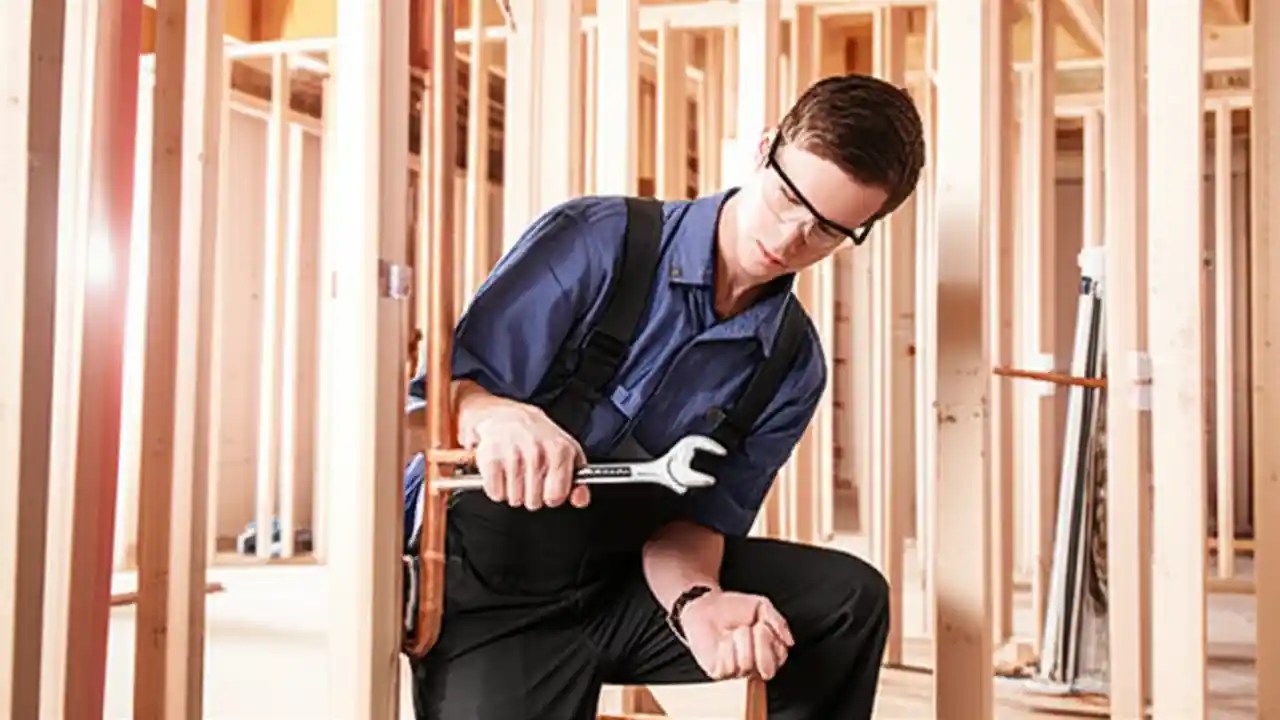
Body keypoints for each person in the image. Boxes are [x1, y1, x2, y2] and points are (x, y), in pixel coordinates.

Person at [403, 73, 926, 720]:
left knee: (849, 601)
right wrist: (491, 413)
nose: (793, 238)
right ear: (766, 148)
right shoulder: (598, 240)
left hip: (628, 585)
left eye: (828, 230)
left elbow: (697, 526)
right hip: (487, 591)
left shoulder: (792, 363)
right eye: (789, 197)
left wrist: (697, 603)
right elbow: (430, 404)